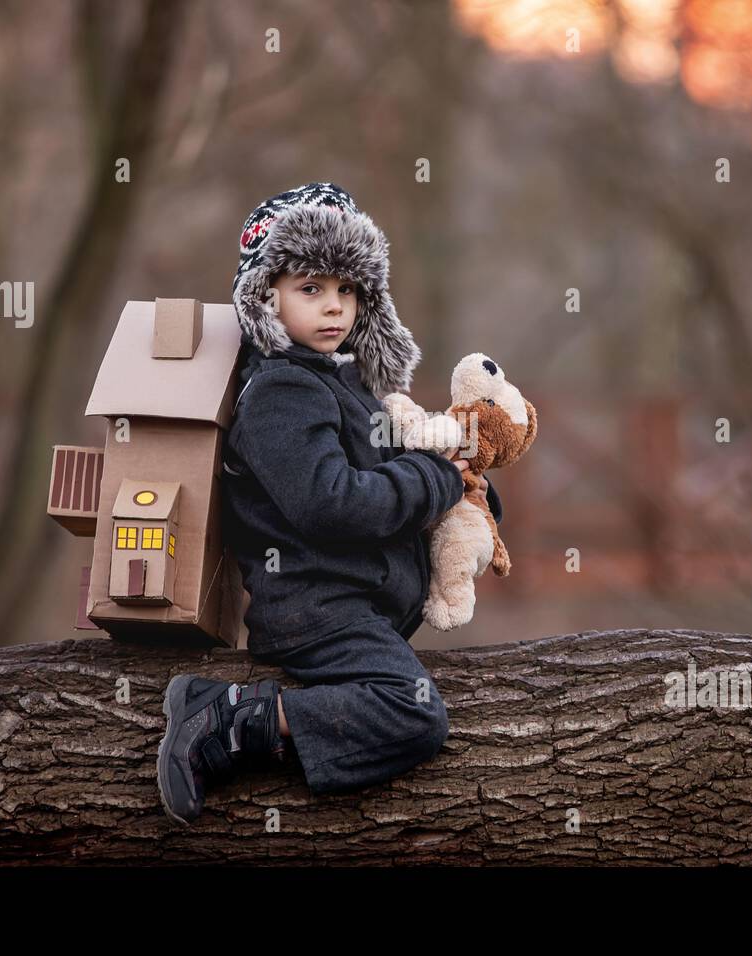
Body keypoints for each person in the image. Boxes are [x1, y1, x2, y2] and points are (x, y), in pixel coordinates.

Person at [156, 182, 503, 823]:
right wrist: (434, 481)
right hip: (314, 610)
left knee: (410, 697)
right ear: (266, 297)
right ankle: (227, 719)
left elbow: (394, 485)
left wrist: (465, 492)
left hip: (354, 608)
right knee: (415, 711)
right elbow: (333, 505)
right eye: (310, 289)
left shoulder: (344, 386)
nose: (334, 307)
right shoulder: (280, 392)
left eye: (347, 290)